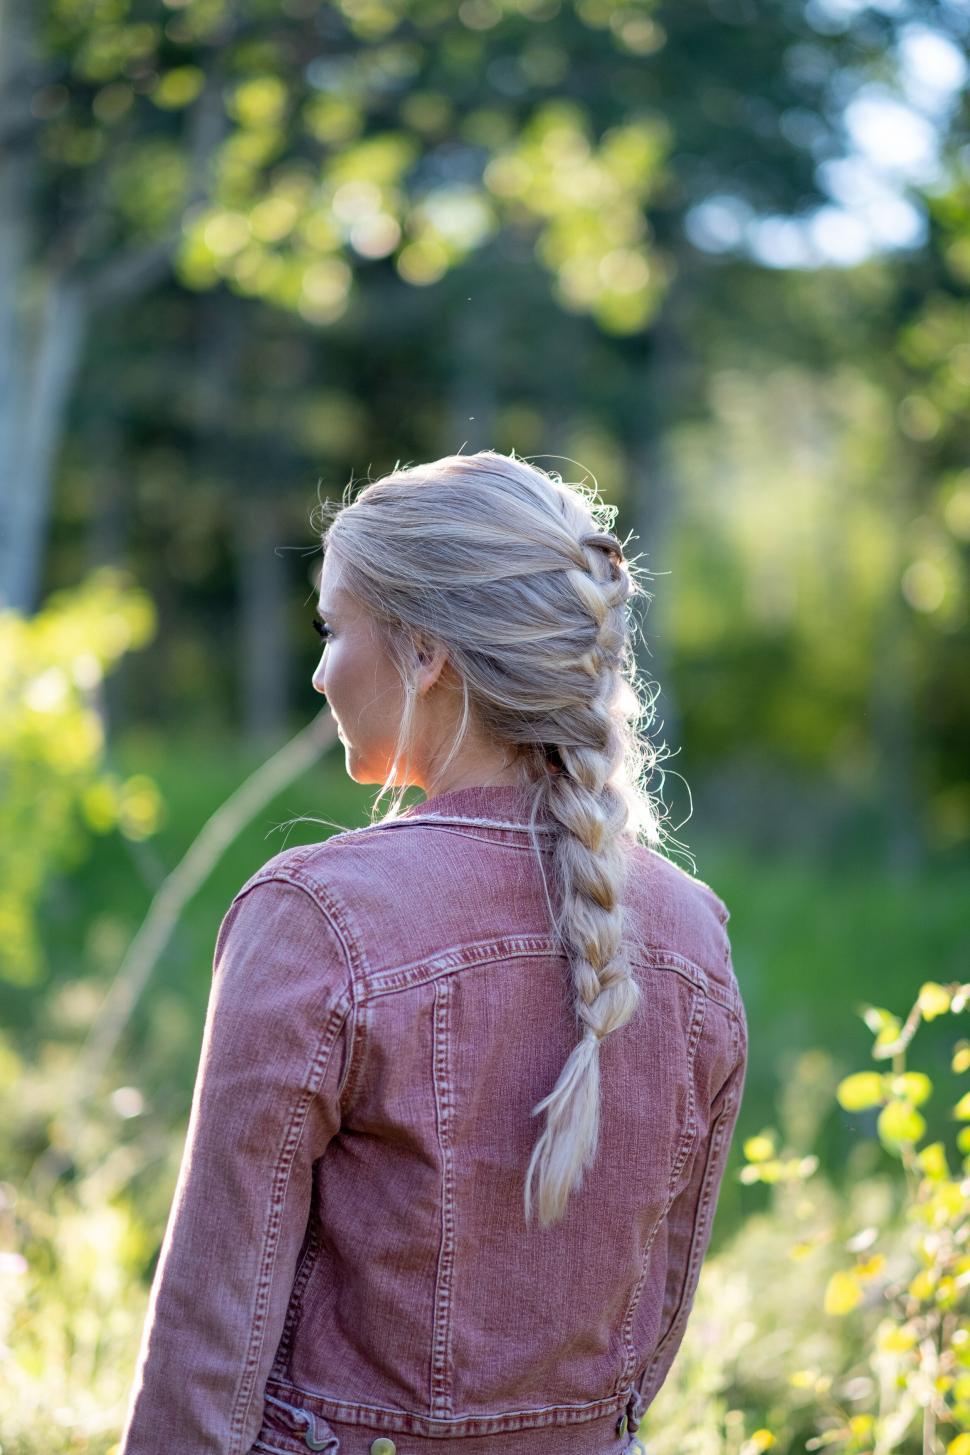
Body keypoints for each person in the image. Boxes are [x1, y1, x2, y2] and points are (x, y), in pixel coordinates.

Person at [118, 449, 748, 1455]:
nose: (321, 672)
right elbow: (651, 1330)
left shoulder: (316, 916)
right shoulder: (691, 936)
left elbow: (211, 1330)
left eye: (333, 628)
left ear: (422, 654)